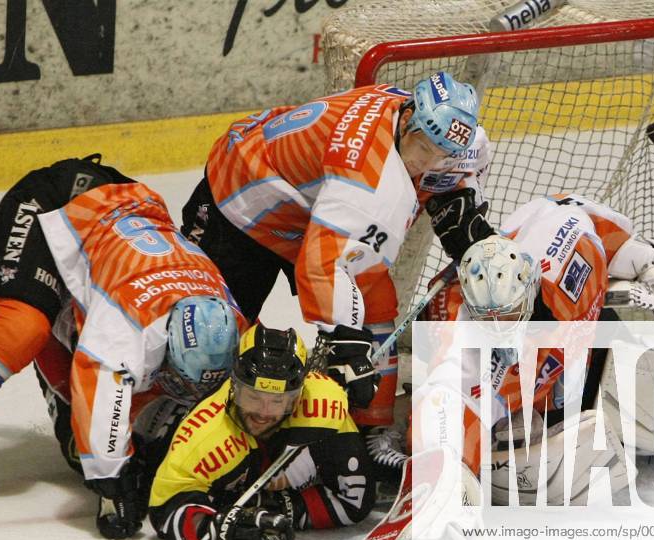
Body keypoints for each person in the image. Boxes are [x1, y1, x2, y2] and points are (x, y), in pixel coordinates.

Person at [0, 155, 246, 540]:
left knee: (135, 400)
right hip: (54, 207)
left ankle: (52, 310)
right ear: (166, 340)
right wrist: (111, 484)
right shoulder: (126, 330)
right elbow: (101, 396)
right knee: (21, 329)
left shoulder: (229, 321)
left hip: (122, 220)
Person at [180, 71, 493, 449]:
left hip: (308, 203)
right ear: (409, 120)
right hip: (242, 201)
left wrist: (456, 203)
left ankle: (370, 432)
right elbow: (322, 263)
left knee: (374, 303)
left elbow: (453, 172)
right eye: (423, 149)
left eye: (441, 155)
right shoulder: (368, 177)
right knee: (212, 333)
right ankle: (187, 431)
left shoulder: (422, 123)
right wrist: (344, 340)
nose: (427, 164)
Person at [380, 193, 654, 498]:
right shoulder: (466, 344)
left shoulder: (570, 244)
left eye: (511, 314)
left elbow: (574, 210)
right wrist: (442, 476)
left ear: (529, 284)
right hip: (531, 401)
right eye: (490, 320)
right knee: (560, 466)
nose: (501, 327)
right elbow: (451, 402)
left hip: (577, 359)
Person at [148, 324, 376, 540]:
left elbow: (354, 501)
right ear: (234, 387)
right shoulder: (204, 438)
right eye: (254, 397)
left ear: (298, 395)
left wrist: (274, 507)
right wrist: (216, 530)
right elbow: (164, 508)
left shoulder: (323, 402)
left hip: (260, 472)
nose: (263, 413)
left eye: (278, 400)